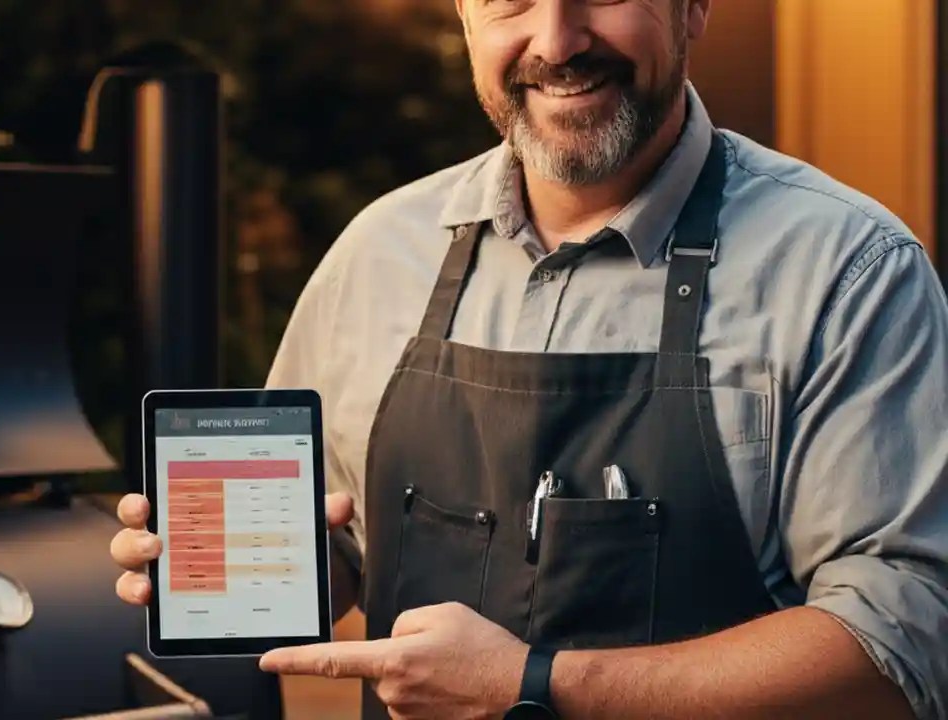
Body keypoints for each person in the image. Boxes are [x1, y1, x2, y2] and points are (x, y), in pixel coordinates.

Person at [110, 0, 948, 718]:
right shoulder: (378, 253)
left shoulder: (849, 270)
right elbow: (347, 551)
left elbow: (908, 641)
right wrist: (247, 569)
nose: (556, 40)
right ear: (465, 17)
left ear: (693, 5)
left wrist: (532, 687)